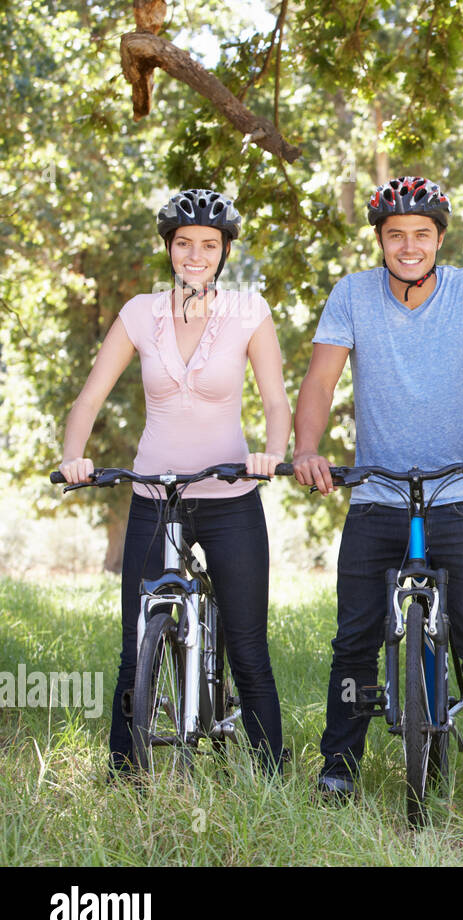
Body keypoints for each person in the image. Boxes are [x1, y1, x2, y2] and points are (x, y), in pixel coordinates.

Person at [292, 176, 463, 798]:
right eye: (396, 234)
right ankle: (338, 770)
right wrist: (306, 449)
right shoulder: (351, 294)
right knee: (353, 640)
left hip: (459, 492)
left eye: (422, 234)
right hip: (376, 492)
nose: (409, 246)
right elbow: (321, 381)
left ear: (438, 239)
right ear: (380, 239)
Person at [60, 188, 289, 777]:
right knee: (134, 645)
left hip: (231, 496)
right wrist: (74, 457)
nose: (195, 254)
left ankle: (270, 781)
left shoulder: (249, 312)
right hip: (154, 496)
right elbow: (89, 399)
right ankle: (123, 774)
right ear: (169, 248)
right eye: (184, 243)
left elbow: (276, 401)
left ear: (224, 251)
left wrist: (273, 454)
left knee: (247, 648)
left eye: (208, 245)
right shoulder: (139, 313)